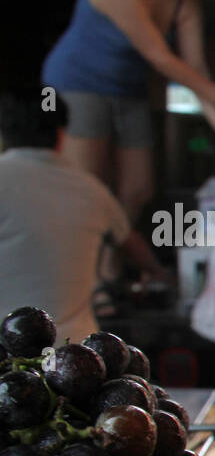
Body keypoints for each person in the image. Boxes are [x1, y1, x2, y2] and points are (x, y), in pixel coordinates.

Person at [41, 0, 215, 280]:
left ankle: (107, 263)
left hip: (128, 89)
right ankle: (83, 275)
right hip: (78, 83)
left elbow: (196, 68)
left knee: (138, 188)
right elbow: (160, 57)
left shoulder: (187, 2)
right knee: (88, 185)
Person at [0, 89, 134, 343]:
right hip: (74, 358)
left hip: (7, 359)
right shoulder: (92, 190)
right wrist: (160, 273)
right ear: (61, 134)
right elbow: (130, 244)